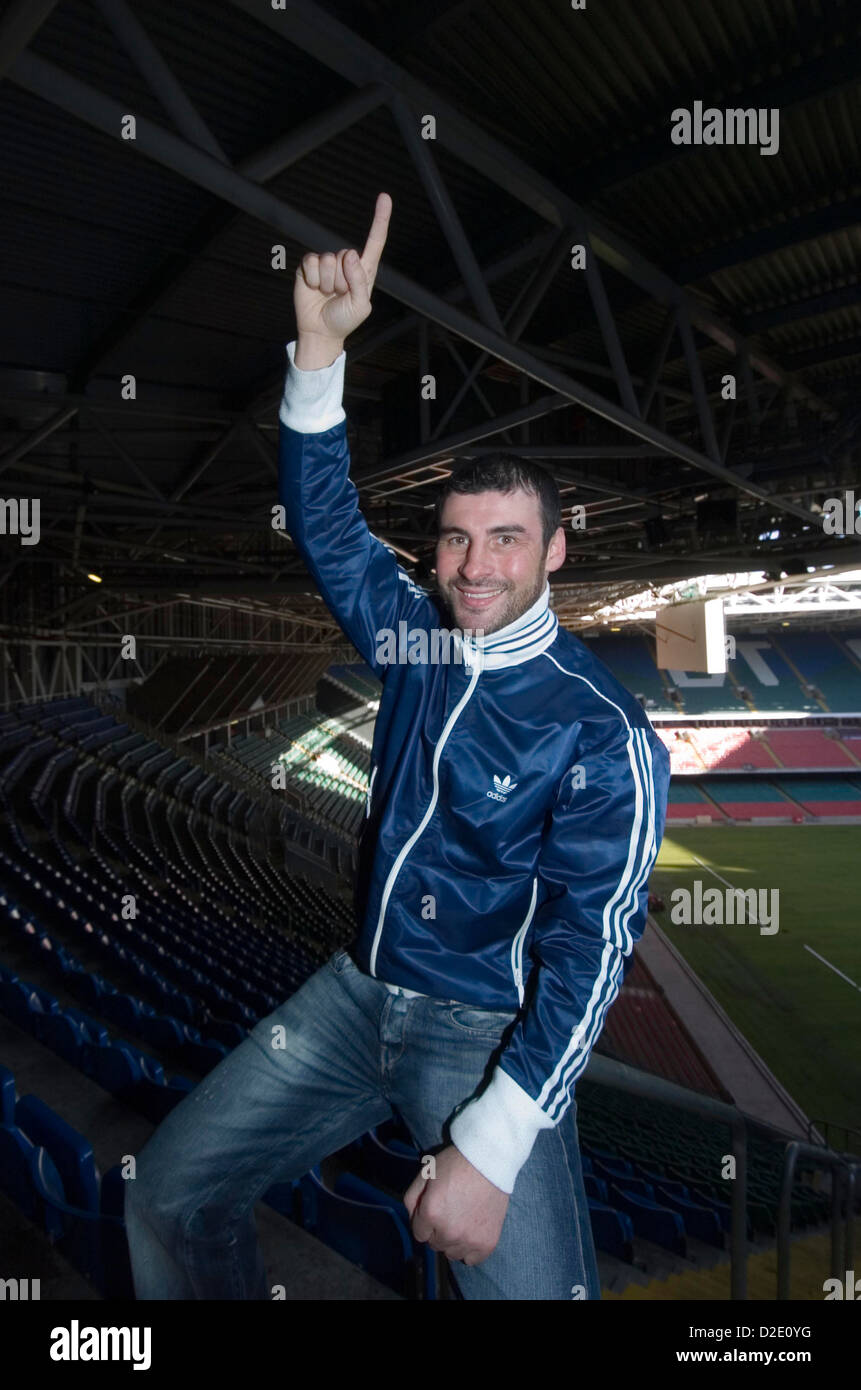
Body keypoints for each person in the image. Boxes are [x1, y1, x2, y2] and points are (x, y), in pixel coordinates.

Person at [125, 192, 670, 1300]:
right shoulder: (417, 637)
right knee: (167, 1195)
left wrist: (494, 1140)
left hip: (480, 1036)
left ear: (555, 552)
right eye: (456, 538)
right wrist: (320, 351)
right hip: (353, 995)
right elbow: (328, 522)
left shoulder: (601, 728)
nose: (474, 565)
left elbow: (591, 947)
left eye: (506, 539)